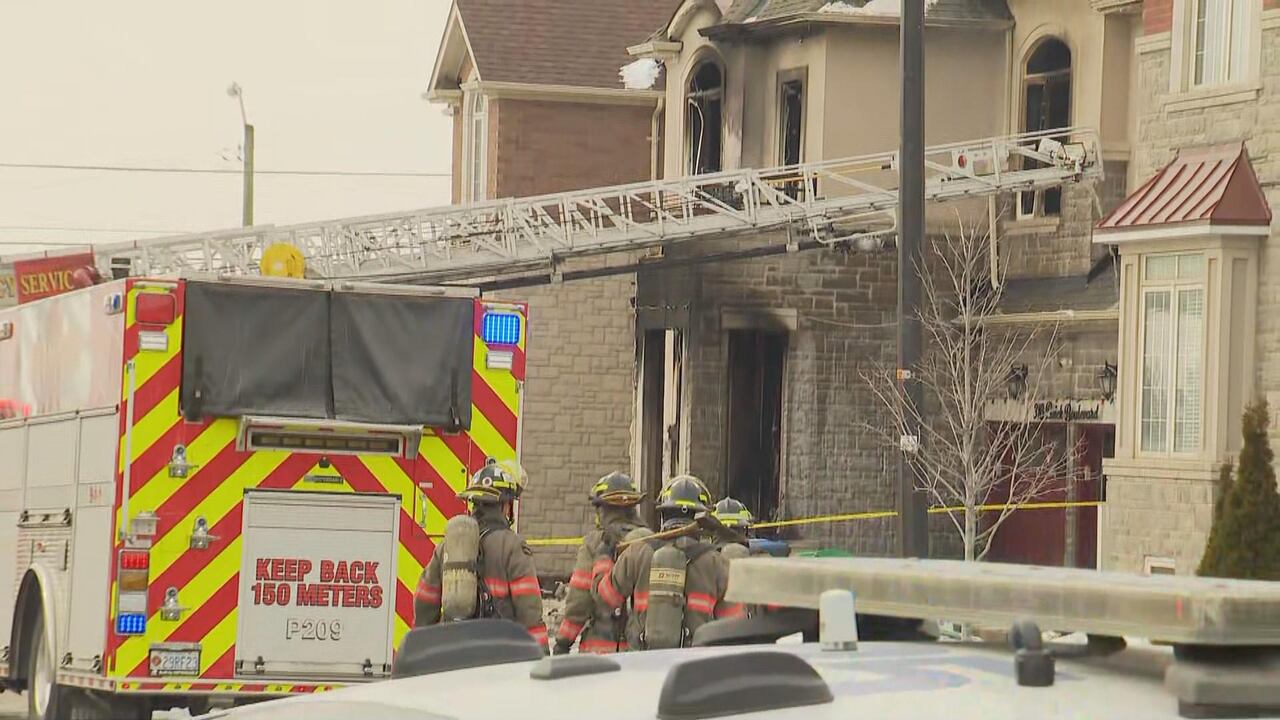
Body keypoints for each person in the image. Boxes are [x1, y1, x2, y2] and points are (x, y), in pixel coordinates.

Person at [594, 475, 745, 650]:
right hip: (694, 664)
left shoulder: (638, 552)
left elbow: (606, 599)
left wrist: (603, 555)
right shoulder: (717, 563)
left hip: (644, 663)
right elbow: (732, 623)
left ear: (663, 514)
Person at [413, 459, 549, 652]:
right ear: (505, 506)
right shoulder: (513, 546)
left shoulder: (448, 545)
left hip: (455, 651)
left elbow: (424, 599)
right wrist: (541, 657)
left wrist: (422, 644)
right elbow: (530, 611)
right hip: (498, 654)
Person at [554, 472, 649, 655]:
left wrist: (563, 642)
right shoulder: (650, 540)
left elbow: (579, 602)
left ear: (601, 510)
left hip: (599, 653)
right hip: (641, 652)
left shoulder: (595, 543)